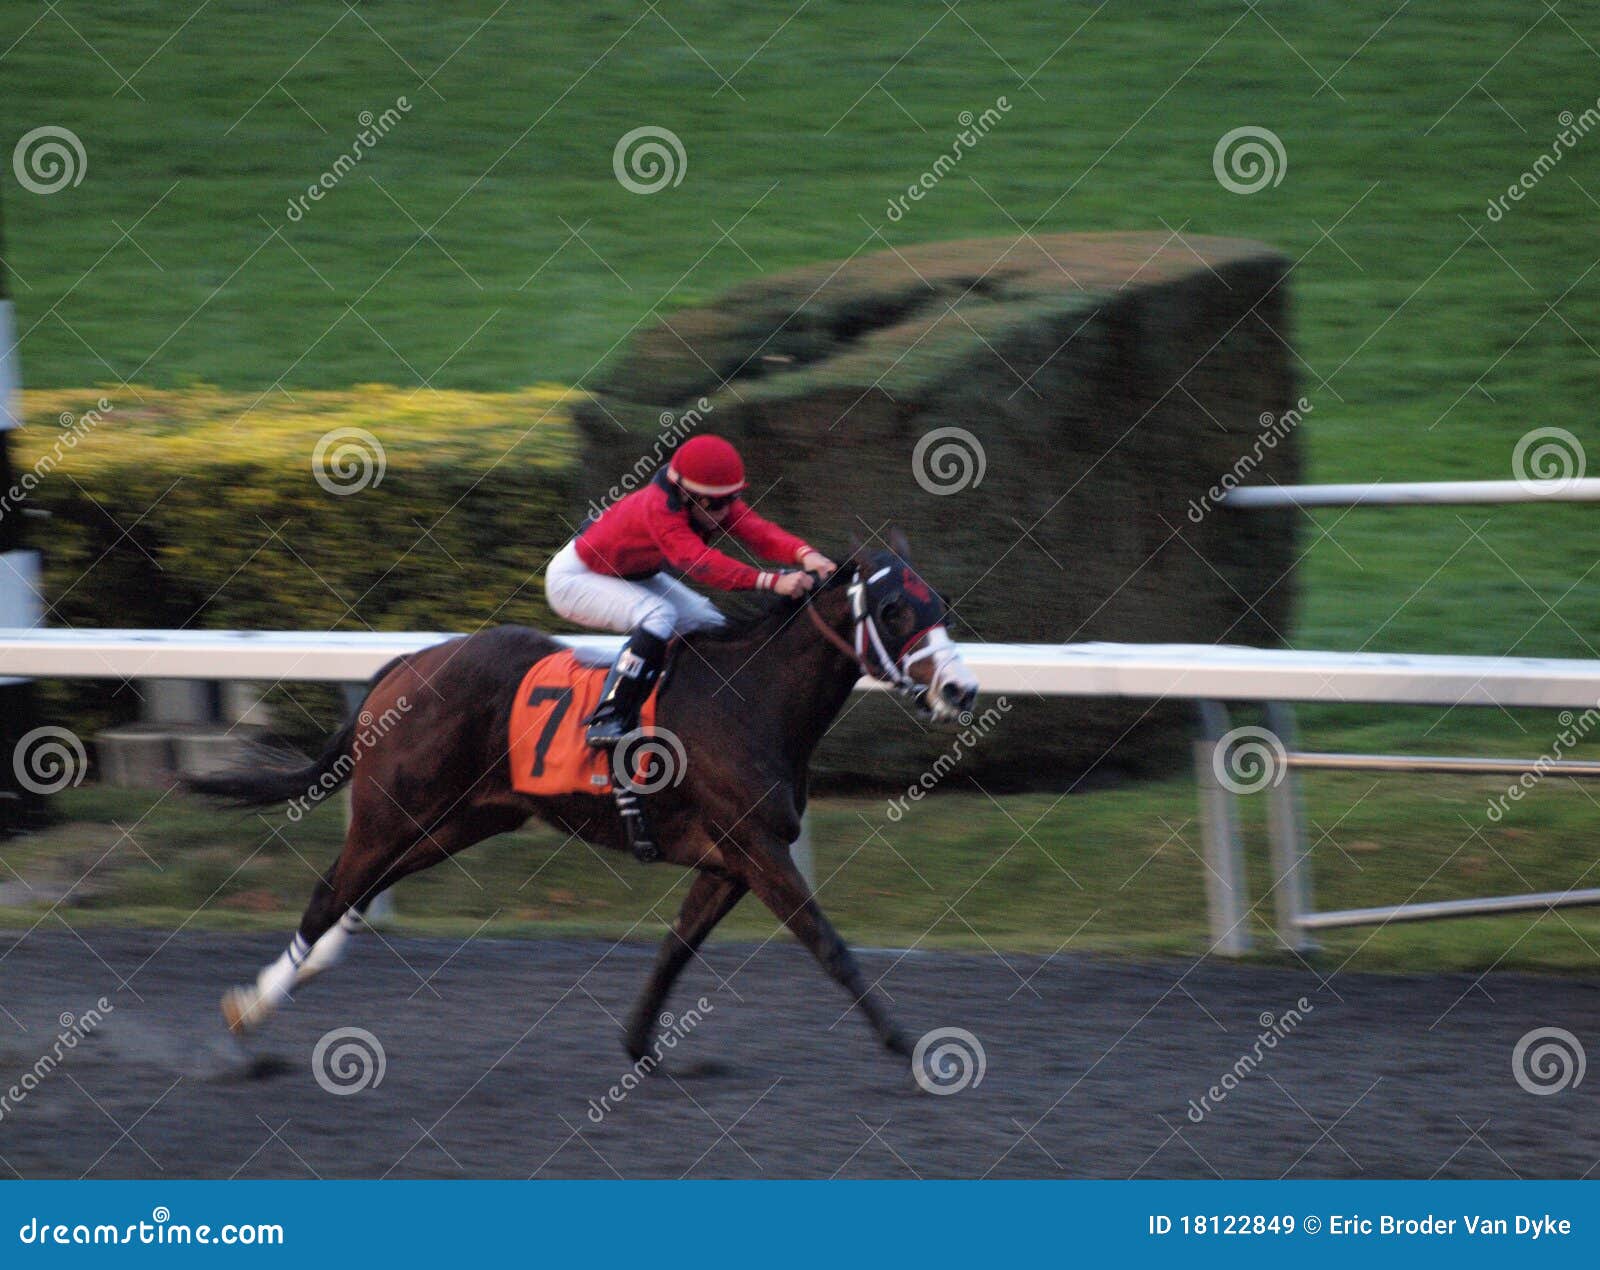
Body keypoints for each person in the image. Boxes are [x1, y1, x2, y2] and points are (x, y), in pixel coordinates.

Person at [546, 434, 836, 746]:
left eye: (731, 500)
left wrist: (805, 553)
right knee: (659, 615)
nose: (726, 511)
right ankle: (610, 716)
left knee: (709, 622)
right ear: (687, 495)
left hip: (628, 575)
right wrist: (771, 581)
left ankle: (694, 710)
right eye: (716, 504)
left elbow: (759, 531)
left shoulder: (706, 500)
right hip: (574, 579)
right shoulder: (659, 510)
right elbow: (700, 564)